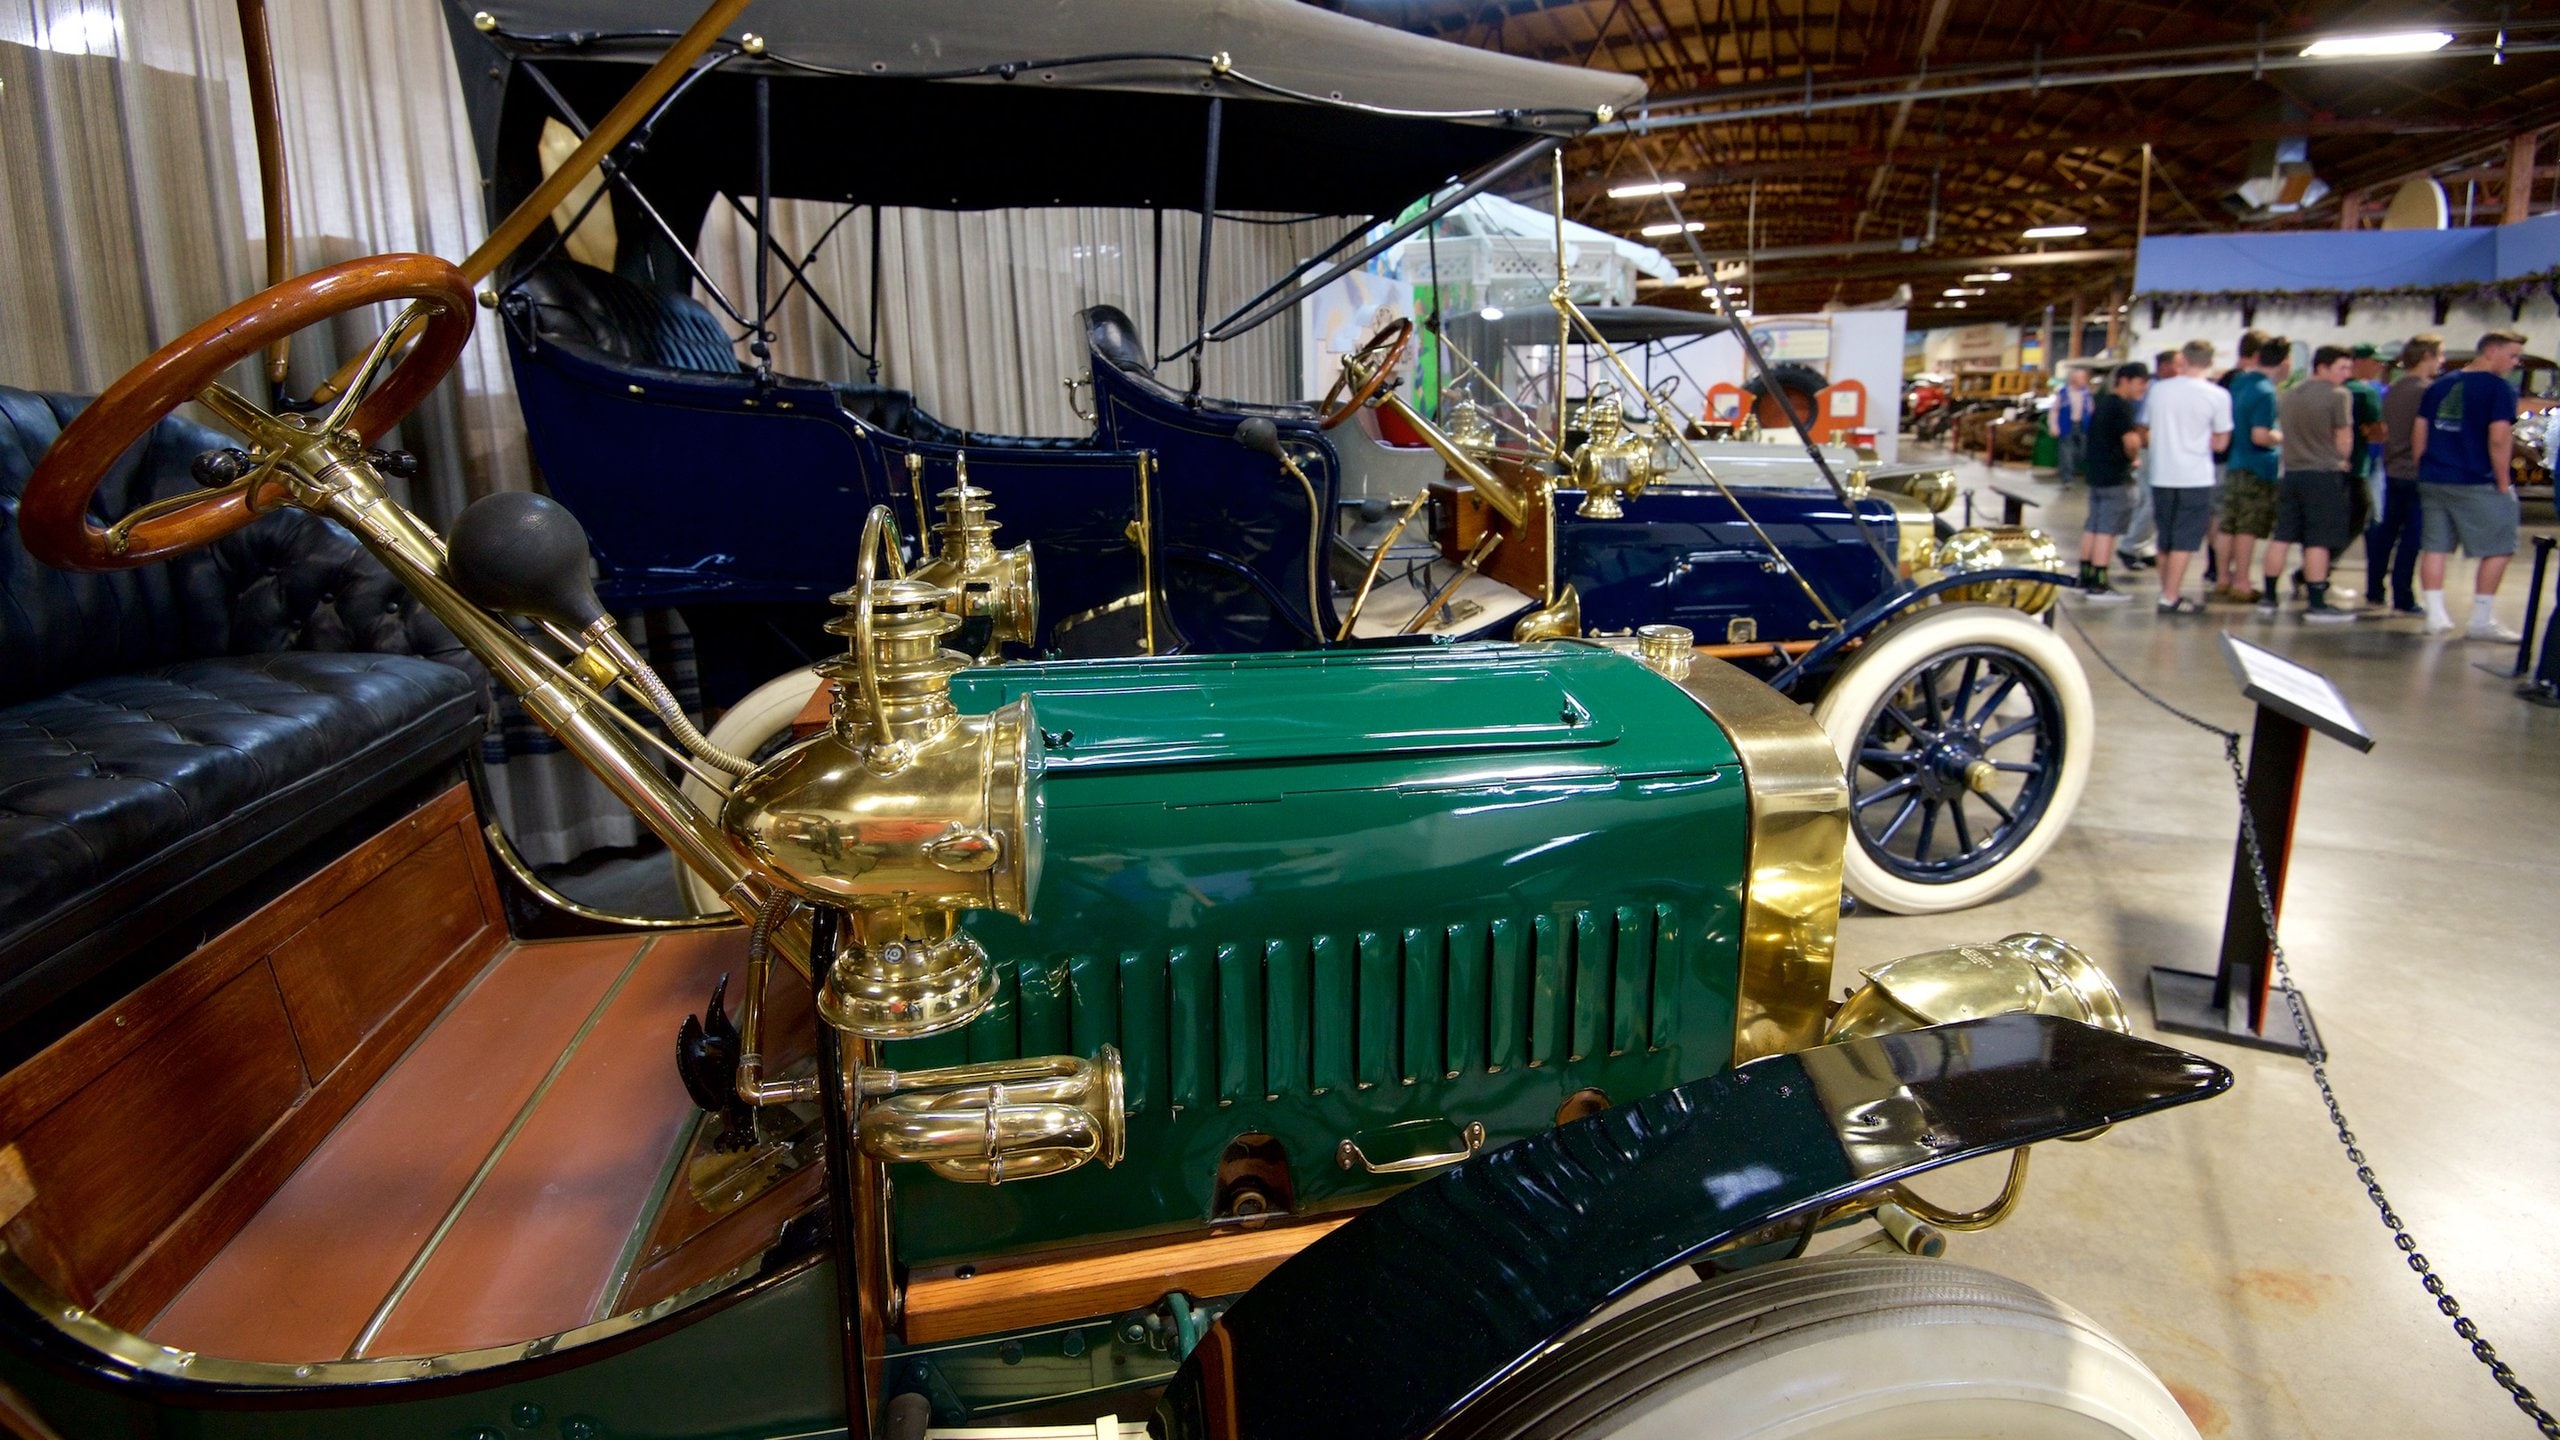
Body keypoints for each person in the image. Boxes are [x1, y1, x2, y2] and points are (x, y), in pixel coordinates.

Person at [2412, 328, 2528, 641]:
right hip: (2476, 479)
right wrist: (2504, 481)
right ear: (2490, 351)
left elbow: (2420, 432)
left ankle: (2435, 615)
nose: (2515, 362)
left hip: (2434, 476)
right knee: (2500, 547)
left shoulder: (2440, 385)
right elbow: (2499, 438)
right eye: (2512, 355)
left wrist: (2423, 466)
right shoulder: (2499, 389)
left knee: (2435, 546)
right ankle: (2480, 619)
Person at [2262, 345, 2358, 623]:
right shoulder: (2338, 395)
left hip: (2292, 472)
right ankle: (2317, 603)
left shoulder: (2291, 394)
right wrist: (2342, 458)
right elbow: (2343, 435)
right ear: (2322, 367)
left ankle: (2269, 597)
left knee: (2282, 536)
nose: (2346, 374)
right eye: (2341, 368)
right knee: (2318, 540)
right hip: (2323, 473)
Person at [2144, 339, 2234, 614]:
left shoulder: (2158, 390)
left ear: (2182, 359)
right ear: (2211, 361)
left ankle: (2166, 591)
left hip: (2161, 472)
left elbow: (2146, 428)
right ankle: (2170, 596)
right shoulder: (2217, 395)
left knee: (2166, 537)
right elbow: (2221, 443)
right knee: (2184, 539)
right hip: (2195, 475)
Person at [2369, 334, 2440, 615]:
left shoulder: (2393, 389)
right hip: (2415, 471)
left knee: (2385, 533)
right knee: (2412, 538)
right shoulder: (2428, 391)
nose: (2441, 362)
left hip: (2392, 467)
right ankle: (2403, 596)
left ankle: (2375, 589)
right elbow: (2423, 433)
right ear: (2426, 357)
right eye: (2439, 355)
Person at [2217, 334, 2286, 602]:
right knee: (2248, 527)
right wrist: (2279, 435)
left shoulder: (2239, 382)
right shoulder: (2266, 392)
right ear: (2283, 362)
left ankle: (2223, 577)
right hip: (2257, 465)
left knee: (2228, 525)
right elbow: (2260, 435)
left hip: (2235, 460)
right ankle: (2243, 581)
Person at [2076, 363, 2148, 603]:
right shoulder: (2121, 406)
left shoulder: (2103, 402)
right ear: (2125, 380)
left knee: (2093, 526)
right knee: (2107, 530)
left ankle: (2084, 576)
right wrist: (2135, 457)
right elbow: (2131, 441)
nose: (2143, 388)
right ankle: (2099, 583)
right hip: (2115, 477)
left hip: (2096, 474)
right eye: (2140, 382)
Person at [2053, 366, 2093, 486]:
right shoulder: (2063, 393)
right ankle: (2067, 478)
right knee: (2066, 452)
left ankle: (2070, 469)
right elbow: (2054, 410)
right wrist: (2054, 426)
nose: (2084, 380)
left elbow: (2091, 409)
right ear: (2074, 379)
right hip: (2067, 425)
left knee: (2082, 451)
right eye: (2081, 378)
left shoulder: (2086, 393)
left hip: (2082, 425)